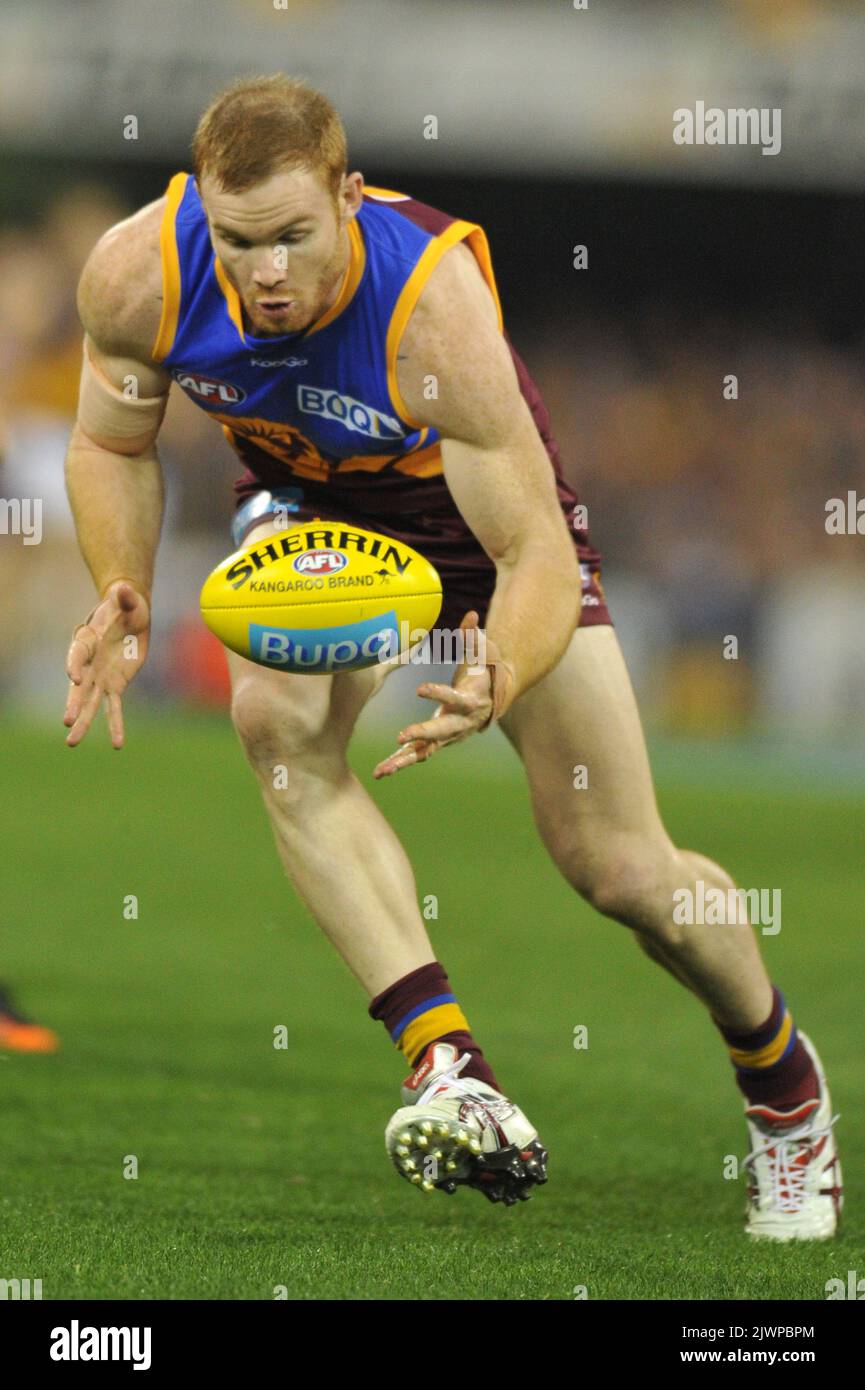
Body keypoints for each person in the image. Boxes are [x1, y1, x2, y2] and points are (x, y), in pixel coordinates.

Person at [62, 74, 841, 1233]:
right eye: (240, 243)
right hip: (314, 515)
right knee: (273, 724)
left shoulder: (430, 307)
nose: (265, 273)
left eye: (291, 238)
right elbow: (108, 438)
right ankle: (444, 1060)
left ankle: (782, 1086)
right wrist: (120, 585)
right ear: (201, 216)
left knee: (621, 870)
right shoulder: (139, 274)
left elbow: (529, 548)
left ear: (349, 195)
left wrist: (501, 671)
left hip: (478, 532)